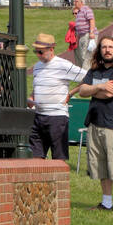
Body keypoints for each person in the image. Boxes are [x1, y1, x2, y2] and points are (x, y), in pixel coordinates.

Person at [77, 36, 113, 213]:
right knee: (101, 165)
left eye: (111, 47)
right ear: (99, 50)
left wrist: (94, 89)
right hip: (95, 123)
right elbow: (82, 90)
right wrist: (100, 87)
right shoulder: (95, 70)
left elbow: (110, 93)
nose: (107, 50)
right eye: (104, 47)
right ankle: (107, 203)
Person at [27, 32, 86, 160]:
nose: (38, 55)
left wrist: (71, 92)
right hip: (38, 116)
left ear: (51, 49)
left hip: (57, 117)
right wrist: (32, 97)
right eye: (36, 52)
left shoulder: (63, 65)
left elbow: (87, 77)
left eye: (41, 52)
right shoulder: (37, 67)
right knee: (35, 157)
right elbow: (37, 87)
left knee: (58, 158)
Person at [71, 0, 96, 68]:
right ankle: (86, 73)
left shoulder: (86, 9)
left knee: (86, 56)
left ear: (81, 2)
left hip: (87, 34)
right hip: (82, 35)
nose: (74, 3)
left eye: (76, 1)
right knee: (82, 55)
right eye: (74, 1)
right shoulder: (79, 12)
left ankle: (86, 74)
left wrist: (91, 32)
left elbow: (91, 20)